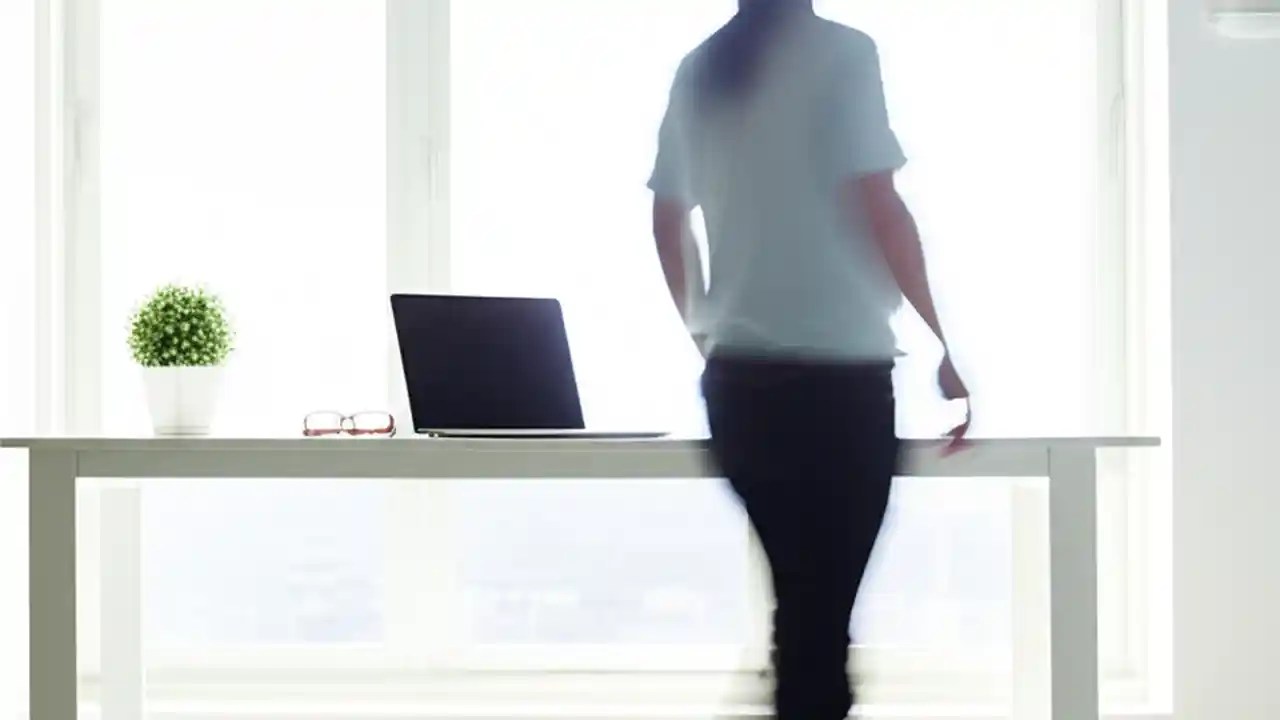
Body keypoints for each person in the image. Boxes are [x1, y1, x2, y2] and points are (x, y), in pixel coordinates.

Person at [647, 1, 971, 718]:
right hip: (839, 381)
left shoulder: (701, 66)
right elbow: (878, 203)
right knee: (818, 625)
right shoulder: (845, 53)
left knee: (804, 615)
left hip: (739, 382)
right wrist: (943, 342)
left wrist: (705, 330)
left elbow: (667, 217)